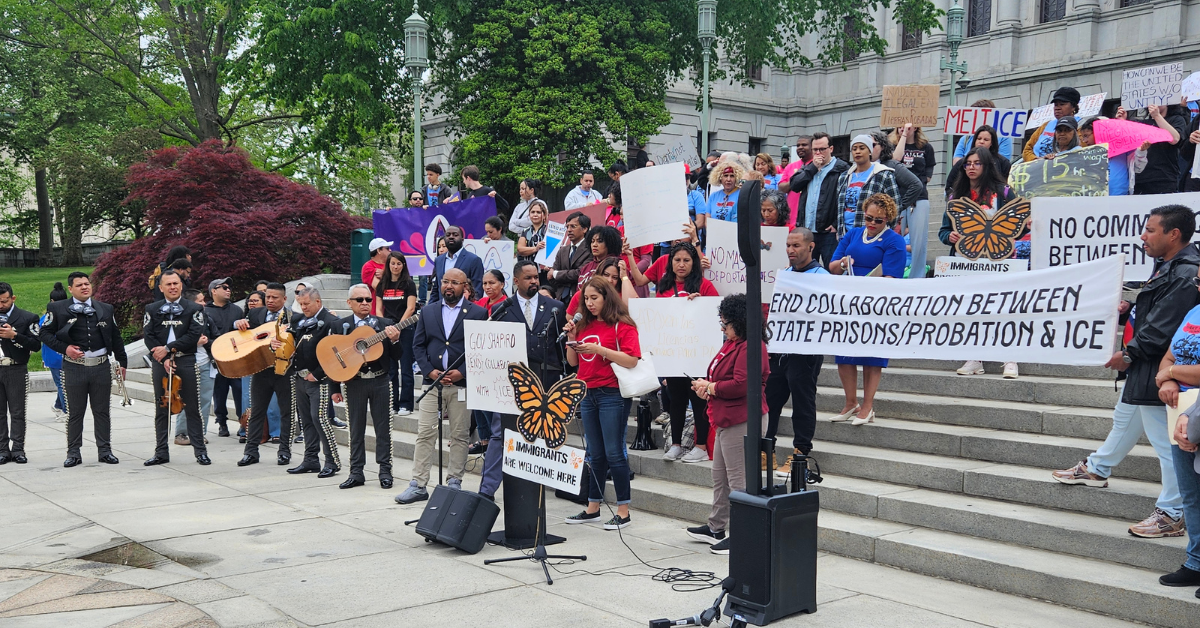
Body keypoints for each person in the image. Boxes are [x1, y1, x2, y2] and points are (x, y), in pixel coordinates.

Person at [1053, 204, 1200, 539]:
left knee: (1167, 445)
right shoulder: (1169, 266)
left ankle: (1173, 512)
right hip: (1149, 364)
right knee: (1125, 417)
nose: (1143, 236)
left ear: (1173, 234)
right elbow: (1157, 311)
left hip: (1159, 367)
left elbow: (1165, 325)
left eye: (1150, 230)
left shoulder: (1184, 271)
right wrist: (1131, 307)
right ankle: (1098, 467)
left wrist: (1129, 354)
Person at [685, 293, 769, 554]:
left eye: (725, 323)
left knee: (739, 480)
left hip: (742, 420)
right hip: (726, 417)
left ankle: (743, 535)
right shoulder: (734, 343)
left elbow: (743, 384)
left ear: (740, 321)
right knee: (720, 477)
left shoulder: (752, 346)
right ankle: (716, 526)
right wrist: (707, 388)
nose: (722, 328)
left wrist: (711, 386)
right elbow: (722, 380)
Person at [396, 268, 489, 504]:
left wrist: (462, 372)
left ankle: (454, 481)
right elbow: (418, 346)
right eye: (445, 281)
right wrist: (429, 370)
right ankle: (418, 483)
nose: (449, 286)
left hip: (462, 385)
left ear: (464, 286)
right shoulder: (427, 311)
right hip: (432, 383)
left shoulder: (478, 313)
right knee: (425, 432)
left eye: (454, 282)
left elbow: (481, 349)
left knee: (459, 435)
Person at [479, 260, 568, 500]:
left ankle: (536, 487)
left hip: (545, 379)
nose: (534, 281)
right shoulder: (503, 309)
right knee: (500, 433)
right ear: (516, 281)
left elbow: (560, 348)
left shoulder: (555, 307)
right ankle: (487, 489)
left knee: (541, 432)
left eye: (536, 277)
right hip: (511, 382)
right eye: (528, 278)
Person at [625, 241, 719, 462]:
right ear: (670, 262)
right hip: (672, 353)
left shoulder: (703, 285)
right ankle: (676, 444)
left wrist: (701, 303)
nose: (681, 264)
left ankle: (701, 446)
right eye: (677, 260)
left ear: (693, 262)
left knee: (698, 400)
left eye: (687, 260)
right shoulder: (664, 286)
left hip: (698, 354)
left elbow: (717, 313)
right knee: (675, 400)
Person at [563, 276, 642, 529]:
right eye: (586, 299)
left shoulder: (622, 324)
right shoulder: (584, 324)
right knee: (594, 453)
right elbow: (573, 362)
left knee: (614, 452)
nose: (589, 303)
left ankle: (623, 510)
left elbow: (631, 360)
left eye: (594, 298)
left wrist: (600, 351)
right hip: (587, 392)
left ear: (607, 297)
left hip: (612, 394)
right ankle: (592, 506)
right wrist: (573, 338)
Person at [941, 147, 1021, 379]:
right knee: (972, 308)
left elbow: (1018, 221)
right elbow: (944, 231)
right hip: (968, 262)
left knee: (1003, 307)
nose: (971, 167)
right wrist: (950, 237)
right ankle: (974, 357)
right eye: (968, 163)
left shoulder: (1003, 192)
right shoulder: (956, 196)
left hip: (999, 259)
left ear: (987, 166)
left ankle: (1010, 358)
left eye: (977, 163)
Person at [828, 193, 905, 426]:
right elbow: (832, 266)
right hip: (848, 302)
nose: (872, 224)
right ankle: (851, 402)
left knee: (872, 356)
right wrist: (842, 264)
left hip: (876, 305)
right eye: (868, 218)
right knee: (844, 354)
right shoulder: (852, 234)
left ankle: (868, 406)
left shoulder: (894, 241)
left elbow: (892, 276)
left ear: (888, 220)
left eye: (878, 220)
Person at [40, 272, 127, 467]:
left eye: (87, 284)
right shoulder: (57, 308)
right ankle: (73, 453)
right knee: (75, 412)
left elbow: (116, 336)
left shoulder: (105, 308)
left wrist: (122, 362)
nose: (85, 287)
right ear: (70, 289)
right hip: (74, 368)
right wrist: (65, 349)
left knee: (102, 411)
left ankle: (105, 451)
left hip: (100, 366)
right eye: (79, 285)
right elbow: (44, 333)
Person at [768, 228, 828, 479]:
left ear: (811, 247)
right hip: (781, 348)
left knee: (803, 402)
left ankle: (800, 452)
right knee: (770, 400)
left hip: (806, 351)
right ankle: (765, 449)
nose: (791, 251)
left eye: (796, 246)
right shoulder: (785, 275)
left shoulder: (822, 276)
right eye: (788, 246)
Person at [332, 284, 402, 490]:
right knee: (355, 428)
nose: (365, 303)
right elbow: (332, 359)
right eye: (360, 300)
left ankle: (385, 470)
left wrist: (396, 340)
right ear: (349, 303)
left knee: (383, 428)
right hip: (354, 382)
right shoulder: (340, 326)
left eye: (368, 299)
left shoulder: (384, 324)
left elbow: (398, 356)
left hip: (379, 380)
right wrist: (335, 387)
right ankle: (356, 472)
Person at [143, 270, 209, 466]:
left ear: (181, 285)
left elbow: (193, 334)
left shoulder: (194, 308)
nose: (172, 287)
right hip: (160, 362)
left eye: (176, 283)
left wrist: (168, 350)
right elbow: (148, 336)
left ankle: (200, 452)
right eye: (168, 284)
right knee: (162, 407)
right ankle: (161, 452)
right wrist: (161, 356)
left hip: (186, 360)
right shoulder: (152, 308)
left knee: (192, 407)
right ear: (161, 287)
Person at [235, 283, 296, 466]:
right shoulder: (255, 314)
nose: (270, 300)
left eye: (274, 297)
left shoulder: (294, 318)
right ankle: (251, 451)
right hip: (261, 370)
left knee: (286, 412)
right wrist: (238, 324)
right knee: (257, 411)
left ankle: (284, 451)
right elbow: (245, 336)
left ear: (284, 299)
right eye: (267, 297)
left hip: (285, 371)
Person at [286, 287, 342, 478]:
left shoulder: (331, 322)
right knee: (306, 420)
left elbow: (336, 354)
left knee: (321, 420)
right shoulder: (297, 319)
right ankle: (310, 459)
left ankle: (332, 461)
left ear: (318, 302)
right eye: (301, 304)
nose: (303, 308)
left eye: (307, 304)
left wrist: (318, 374)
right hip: (299, 376)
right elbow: (290, 343)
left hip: (320, 379)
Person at [789, 132, 848, 267]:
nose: (818, 153)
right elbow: (794, 185)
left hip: (828, 232)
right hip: (808, 230)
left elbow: (845, 199)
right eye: (815, 149)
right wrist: (813, 168)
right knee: (806, 268)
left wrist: (836, 223)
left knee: (830, 269)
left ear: (831, 149)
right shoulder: (809, 167)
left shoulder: (841, 168)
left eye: (822, 149)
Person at [0, 282, 40, 465]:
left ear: (12, 298)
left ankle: (18, 449)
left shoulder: (27, 317)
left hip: (16, 367)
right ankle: (2, 450)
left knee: (17, 411)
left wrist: (14, 335)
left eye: (4, 301)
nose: (1, 305)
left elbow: (36, 345)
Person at [1164, 390, 1200, 587]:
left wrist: (1171, 373)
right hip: (1185, 410)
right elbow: (1169, 358)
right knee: (1191, 495)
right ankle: (1196, 563)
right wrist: (1187, 414)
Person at [377, 252, 418, 417]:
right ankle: (392, 403)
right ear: (388, 264)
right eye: (393, 263)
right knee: (391, 369)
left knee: (406, 367)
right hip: (387, 329)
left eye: (399, 264)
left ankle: (406, 404)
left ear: (403, 265)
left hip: (405, 328)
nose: (395, 267)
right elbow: (379, 308)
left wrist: (399, 327)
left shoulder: (408, 284)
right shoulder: (382, 284)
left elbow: (411, 308)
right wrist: (384, 325)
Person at [836, 135, 899, 237]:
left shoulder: (883, 174)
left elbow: (895, 206)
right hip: (846, 235)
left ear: (869, 151)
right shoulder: (844, 177)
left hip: (872, 235)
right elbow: (839, 207)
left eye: (862, 148)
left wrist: (884, 230)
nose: (857, 151)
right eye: (854, 149)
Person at [173, 288, 213, 446]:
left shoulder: (206, 318)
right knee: (185, 400)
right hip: (185, 363)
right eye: (200, 301)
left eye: (204, 300)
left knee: (204, 399)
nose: (204, 303)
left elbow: (215, 337)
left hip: (205, 363)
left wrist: (207, 341)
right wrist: (193, 342)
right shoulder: (177, 319)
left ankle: (199, 433)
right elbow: (172, 342)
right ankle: (181, 433)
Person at [205, 277, 243, 438]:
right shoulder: (205, 311)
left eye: (229, 287)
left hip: (236, 358)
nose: (228, 290)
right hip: (217, 359)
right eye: (224, 287)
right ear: (214, 291)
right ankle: (222, 422)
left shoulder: (237, 310)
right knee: (219, 392)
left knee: (240, 391)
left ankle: (244, 422)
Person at [1124, 104, 1187, 195]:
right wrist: (1121, 121)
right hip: (1141, 179)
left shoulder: (1176, 119)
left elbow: (1175, 139)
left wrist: (1157, 116)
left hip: (1164, 178)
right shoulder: (1142, 122)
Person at [1081, 116, 1149, 196]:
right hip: (1096, 198)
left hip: (1120, 198)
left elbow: (1138, 168)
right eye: (1083, 137)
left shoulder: (1124, 147)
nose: (1084, 141)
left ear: (1097, 132)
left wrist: (1141, 152)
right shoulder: (1086, 153)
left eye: (1086, 136)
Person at [946, 125, 1011, 192]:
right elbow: (949, 186)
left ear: (992, 143)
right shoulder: (962, 163)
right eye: (979, 138)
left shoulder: (1003, 162)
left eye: (986, 140)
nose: (981, 142)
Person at [1023, 87, 1081, 161]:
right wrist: (1037, 160)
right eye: (1056, 105)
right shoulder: (1046, 125)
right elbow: (1027, 150)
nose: (1057, 108)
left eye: (1062, 104)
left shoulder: (1081, 126)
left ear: (1073, 107)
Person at [547, 212, 592, 303]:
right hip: (561, 298)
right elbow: (551, 277)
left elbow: (580, 273)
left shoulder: (590, 249)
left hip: (581, 299)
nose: (569, 230)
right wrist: (560, 276)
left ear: (584, 229)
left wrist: (557, 274)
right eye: (567, 227)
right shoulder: (562, 251)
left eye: (573, 226)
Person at [432, 226, 484, 303]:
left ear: (462, 239)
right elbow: (436, 289)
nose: (451, 237)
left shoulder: (474, 260)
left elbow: (477, 290)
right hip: (442, 309)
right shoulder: (439, 260)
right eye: (448, 235)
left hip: (464, 309)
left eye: (455, 235)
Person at [42, 282, 68, 422]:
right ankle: (64, 409)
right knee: (62, 383)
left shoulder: (46, 317)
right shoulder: (69, 315)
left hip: (53, 355)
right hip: (61, 355)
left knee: (61, 383)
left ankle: (59, 406)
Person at [576, 225, 623, 295]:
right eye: (592, 241)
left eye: (600, 241)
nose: (594, 245)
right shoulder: (586, 267)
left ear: (609, 243)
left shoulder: (618, 265)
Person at [516, 196, 549, 266]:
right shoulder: (525, 231)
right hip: (529, 268)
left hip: (545, 269)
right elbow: (520, 249)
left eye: (538, 212)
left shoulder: (548, 231)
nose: (535, 215)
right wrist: (536, 248)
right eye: (533, 212)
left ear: (544, 215)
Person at [363, 237, 392, 314]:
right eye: (387, 248)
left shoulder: (391, 265)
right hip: (376, 311)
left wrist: (386, 274)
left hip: (392, 310)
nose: (390, 250)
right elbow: (379, 288)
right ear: (379, 250)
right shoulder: (368, 266)